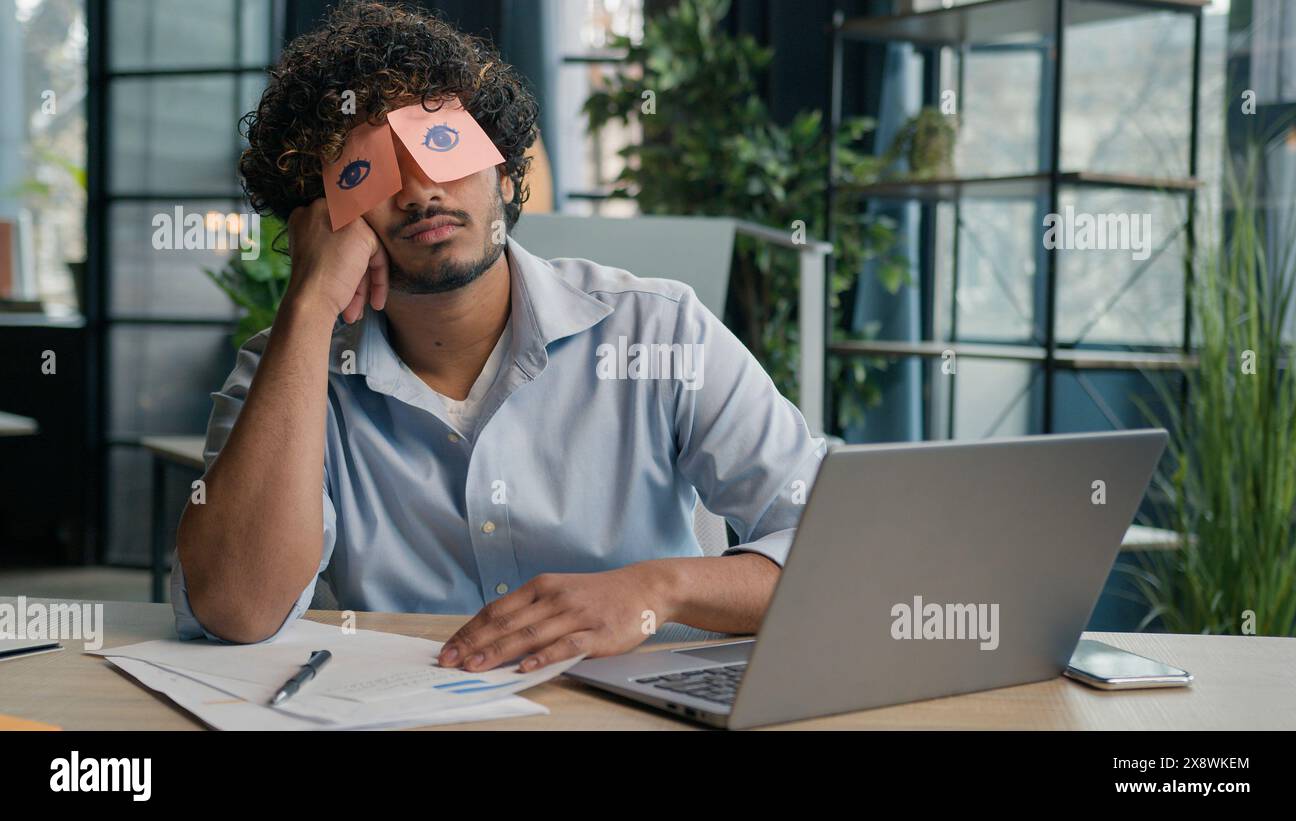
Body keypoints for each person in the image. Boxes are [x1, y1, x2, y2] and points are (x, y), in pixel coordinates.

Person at [173, 1, 824, 675]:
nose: (422, 191)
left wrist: (662, 588)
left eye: (443, 147)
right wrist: (308, 306)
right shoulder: (287, 368)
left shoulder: (660, 329)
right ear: (323, 218)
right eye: (369, 171)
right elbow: (235, 608)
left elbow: (832, 550)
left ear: (506, 174)